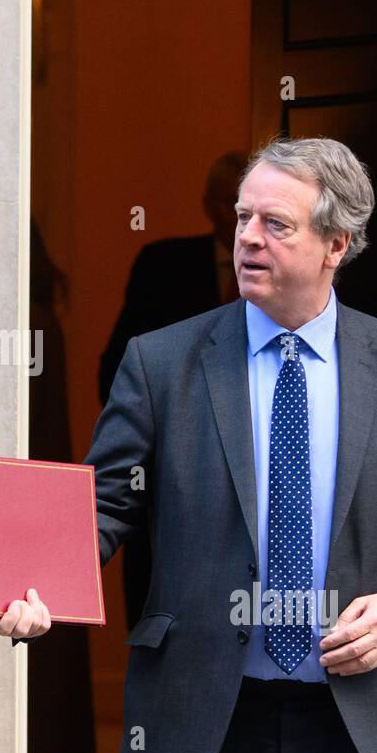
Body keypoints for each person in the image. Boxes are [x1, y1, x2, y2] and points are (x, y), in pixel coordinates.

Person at [0, 136, 377, 753]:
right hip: (199, 726)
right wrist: (38, 580)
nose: (247, 238)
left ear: (336, 244)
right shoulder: (160, 362)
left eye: (275, 224)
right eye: (242, 218)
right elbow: (105, 504)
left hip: (362, 729)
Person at [97, 150, 247, 629]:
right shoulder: (165, 267)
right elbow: (115, 371)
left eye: (271, 219)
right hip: (168, 495)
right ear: (208, 206)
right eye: (237, 209)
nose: (250, 232)